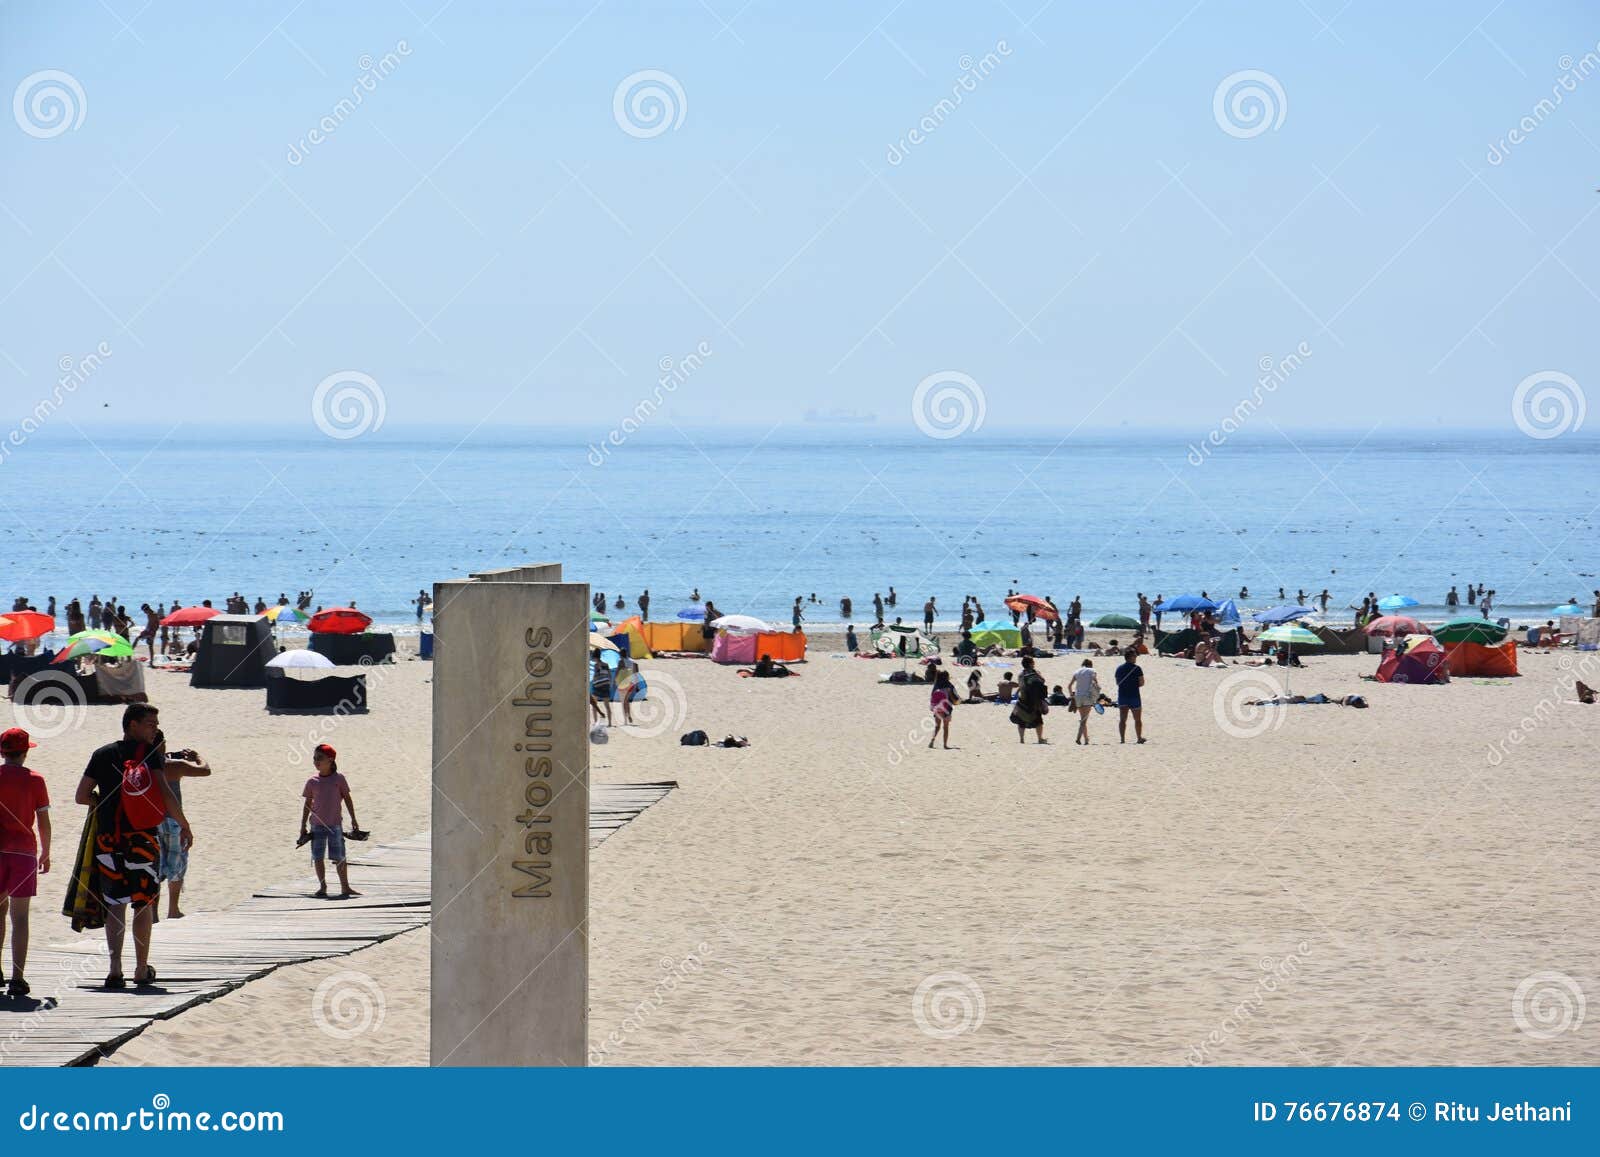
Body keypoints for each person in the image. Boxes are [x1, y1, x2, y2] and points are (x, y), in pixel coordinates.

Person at [71, 704, 193, 988]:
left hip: (108, 839)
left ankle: (115, 969)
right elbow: (165, 794)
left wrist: (102, 803)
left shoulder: (101, 754)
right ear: (132, 725)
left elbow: (81, 796)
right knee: (144, 902)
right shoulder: (151, 755)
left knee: (115, 904)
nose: (154, 728)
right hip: (142, 839)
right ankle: (140, 968)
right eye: (150, 723)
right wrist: (184, 825)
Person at [0, 728, 50, 997]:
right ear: (25, 751)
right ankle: (17, 977)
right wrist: (46, 851)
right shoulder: (35, 779)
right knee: (19, 917)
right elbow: (43, 820)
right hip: (23, 852)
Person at [155, 731, 211, 920]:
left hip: (150, 821)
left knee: (155, 867)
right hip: (173, 820)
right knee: (176, 863)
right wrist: (196, 756)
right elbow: (205, 770)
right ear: (162, 744)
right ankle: (173, 909)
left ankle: (153, 914)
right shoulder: (175, 766)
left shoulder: (142, 766)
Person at [299, 744, 361, 900]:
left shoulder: (339, 779)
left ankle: (345, 887)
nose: (316, 761)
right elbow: (307, 804)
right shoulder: (312, 781)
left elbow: (347, 798)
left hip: (335, 824)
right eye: (314, 758)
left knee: (339, 856)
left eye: (320, 758)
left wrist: (353, 818)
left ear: (331, 760)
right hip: (316, 825)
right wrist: (302, 826)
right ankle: (322, 886)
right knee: (318, 856)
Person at [1010, 657, 1049, 744]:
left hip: (1023, 698)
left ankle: (1022, 739)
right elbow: (1042, 681)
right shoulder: (1034, 673)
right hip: (1034, 699)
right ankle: (1040, 739)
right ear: (1031, 663)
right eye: (1033, 662)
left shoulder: (1020, 674)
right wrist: (1037, 674)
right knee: (1038, 720)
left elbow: (1021, 686)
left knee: (1021, 720)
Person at [1114, 647, 1146, 745]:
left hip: (1122, 695)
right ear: (1131, 657)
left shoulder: (1119, 668)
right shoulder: (1137, 668)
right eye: (1135, 656)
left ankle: (1122, 739)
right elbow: (1142, 683)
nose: (1136, 657)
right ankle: (1139, 738)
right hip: (1134, 696)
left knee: (1123, 719)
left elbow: (1117, 682)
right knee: (1137, 719)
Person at [1071, 659, 1102, 745]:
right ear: (1090, 665)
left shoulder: (1077, 671)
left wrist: (1072, 696)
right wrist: (1097, 693)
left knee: (1083, 719)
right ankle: (1078, 738)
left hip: (1078, 696)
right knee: (1084, 720)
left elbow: (1069, 686)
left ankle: (1086, 740)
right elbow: (1095, 682)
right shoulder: (1092, 670)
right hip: (1087, 696)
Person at [927, 669, 956, 750]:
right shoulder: (949, 685)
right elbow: (954, 697)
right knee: (945, 727)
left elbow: (932, 697)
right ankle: (945, 745)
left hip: (937, 708)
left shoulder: (936, 685)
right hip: (947, 708)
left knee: (937, 727)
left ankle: (932, 740)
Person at [590, 650, 613, 725]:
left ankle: (596, 721)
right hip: (605, 686)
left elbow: (595, 675)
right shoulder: (606, 664)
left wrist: (592, 682)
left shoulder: (596, 665)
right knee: (607, 706)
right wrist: (610, 684)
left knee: (594, 704)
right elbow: (609, 675)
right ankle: (610, 723)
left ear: (595, 657)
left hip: (597, 687)